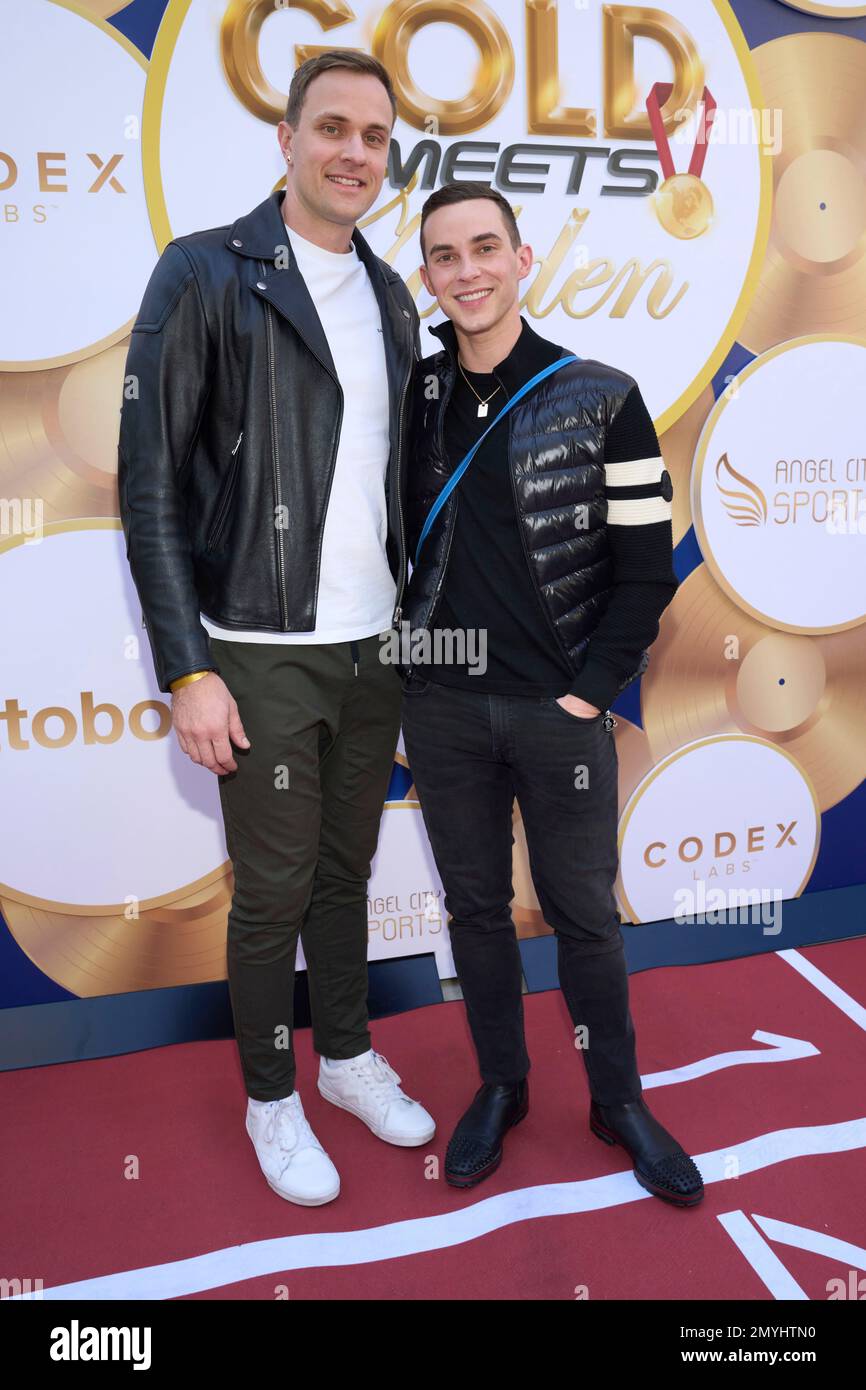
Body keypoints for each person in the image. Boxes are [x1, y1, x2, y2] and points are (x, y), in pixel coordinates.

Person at [119, 51, 434, 1208]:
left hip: (374, 643)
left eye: (373, 136)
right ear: (288, 140)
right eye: (332, 128)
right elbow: (147, 485)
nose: (353, 152)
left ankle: (344, 1057)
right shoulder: (204, 272)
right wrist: (187, 669)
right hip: (253, 643)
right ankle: (269, 1095)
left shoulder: (393, 292)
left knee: (346, 871)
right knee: (275, 887)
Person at [398, 181, 703, 1206]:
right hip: (440, 708)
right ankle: (501, 1084)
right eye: (445, 255)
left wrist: (586, 694)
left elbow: (645, 571)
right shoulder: (416, 396)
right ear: (428, 276)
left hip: (555, 712)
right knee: (475, 911)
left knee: (584, 918)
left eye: (485, 248)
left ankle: (616, 1099)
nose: (467, 270)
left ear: (522, 259)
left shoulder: (603, 396)